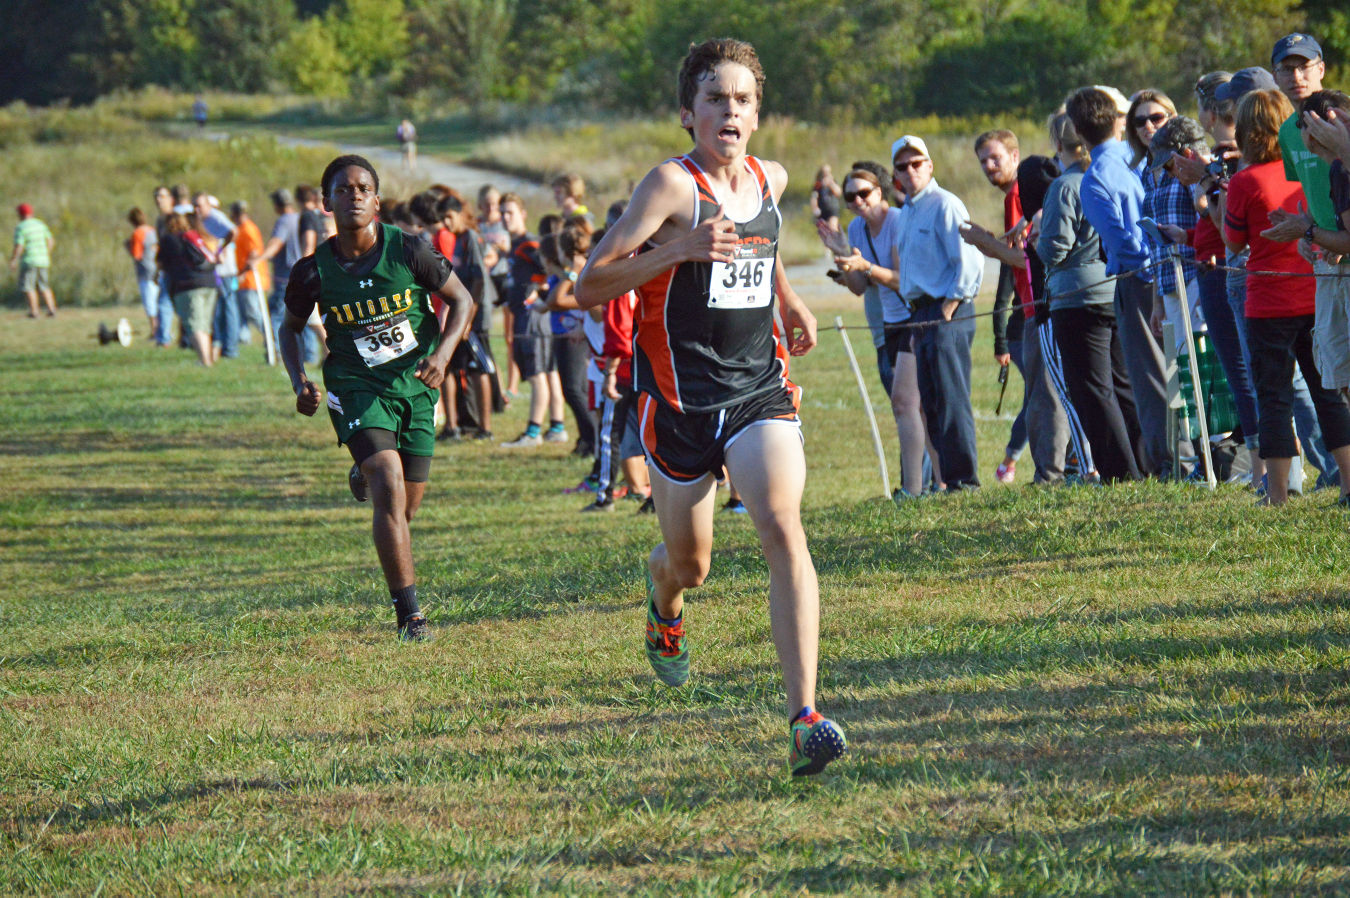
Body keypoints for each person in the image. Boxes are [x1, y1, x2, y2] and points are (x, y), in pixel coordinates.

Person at [574, 38, 846, 776]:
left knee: (782, 524)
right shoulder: (669, 187)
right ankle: (664, 608)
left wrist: (789, 302)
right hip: (681, 404)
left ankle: (804, 717)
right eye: (716, 99)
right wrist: (678, 250)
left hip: (758, 389)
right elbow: (589, 285)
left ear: (759, 114)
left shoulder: (772, 177)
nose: (730, 111)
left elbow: (763, 249)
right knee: (689, 566)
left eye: (743, 100)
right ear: (688, 113)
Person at [280, 155, 474, 641]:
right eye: (342, 190)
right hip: (356, 384)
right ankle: (411, 616)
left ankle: (363, 463)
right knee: (386, 485)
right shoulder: (313, 271)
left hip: (415, 385)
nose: (354, 196)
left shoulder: (409, 251)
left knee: (404, 509)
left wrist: (444, 354)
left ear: (377, 200)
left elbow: (463, 300)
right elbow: (290, 328)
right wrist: (298, 380)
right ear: (326, 203)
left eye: (363, 188)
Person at [1222, 90, 1350, 506]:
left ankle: (1277, 495)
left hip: (1268, 303)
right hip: (1314, 290)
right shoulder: (1307, 173)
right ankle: (1348, 482)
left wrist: (1216, 198)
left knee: (1273, 398)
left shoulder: (1244, 181)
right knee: (1329, 393)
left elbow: (1233, 239)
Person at [865, 134, 986, 490]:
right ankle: (947, 481)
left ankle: (965, 481)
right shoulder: (910, 211)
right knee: (930, 401)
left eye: (917, 163)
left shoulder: (945, 204)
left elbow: (970, 259)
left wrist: (950, 304)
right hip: (918, 312)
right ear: (896, 175)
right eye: (902, 166)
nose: (910, 170)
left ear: (929, 166)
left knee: (950, 398)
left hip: (947, 308)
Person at [1070, 86, 1179, 477]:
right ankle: (1187, 454)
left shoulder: (1096, 177)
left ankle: (1170, 463)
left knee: (1150, 378)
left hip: (1139, 279)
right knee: (1179, 367)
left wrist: (1146, 271)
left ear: (1078, 132)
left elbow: (1123, 243)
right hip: (1171, 270)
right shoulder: (1138, 161)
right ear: (1120, 121)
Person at [1040, 112, 1145, 483]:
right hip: (1115, 288)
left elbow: (1055, 248)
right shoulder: (1109, 175)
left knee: (1092, 390)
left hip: (1077, 297)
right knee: (1123, 383)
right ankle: (1143, 463)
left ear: (1059, 145)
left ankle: (1120, 473)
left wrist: (1037, 238)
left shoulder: (1064, 186)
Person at [822, 163, 929, 497]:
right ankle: (927, 484)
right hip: (887, 326)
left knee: (910, 403)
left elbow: (902, 279)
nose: (856, 201)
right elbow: (857, 286)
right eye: (850, 196)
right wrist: (842, 253)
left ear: (880, 192)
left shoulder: (898, 222)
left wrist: (866, 266)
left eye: (863, 193)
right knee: (912, 406)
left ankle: (922, 486)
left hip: (916, 319)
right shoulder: (856, 229)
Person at [499, 193, 557, 447]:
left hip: (532, 315)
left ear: (523, 214)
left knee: (536, 374)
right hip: (527, 314)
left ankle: (533, 432)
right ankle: (557, 426)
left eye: (510, 212)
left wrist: (537, 289)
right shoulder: (514, 244)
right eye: (502, 212)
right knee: (548, 371)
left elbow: (551, 268)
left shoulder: (528, 244)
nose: (504, 217)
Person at [156, 211, 218, 366]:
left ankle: (205, 361)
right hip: (210, 283)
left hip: (187, 286)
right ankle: (208, 358)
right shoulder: (193, 237)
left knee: (194, 324)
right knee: (204, 323)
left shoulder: (168, 240)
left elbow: (160, 263)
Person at [229, 200, 270, 350]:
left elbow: (253, 253)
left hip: (251, 279)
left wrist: (242, 272)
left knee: (253, 313)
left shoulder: (248, 229)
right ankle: (241, 341)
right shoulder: (240, 228)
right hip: (243, 280)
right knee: (241, 314)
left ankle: (270, 336)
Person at [11, 203, 56, 318]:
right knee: (44, 285)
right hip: (43, 260)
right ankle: (51, 309)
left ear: (20, 214)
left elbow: (19, 246)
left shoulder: (21, 227)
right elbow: (50, 240)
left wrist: (14, 259)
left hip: (29, 260)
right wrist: (46, 253)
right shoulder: (40, 224)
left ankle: (34, 311)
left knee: (28, 287)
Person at [125, 207, 158, 335]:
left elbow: (136, 255)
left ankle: (154, 330)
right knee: (157, 301)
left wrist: (128, 246)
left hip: (145, 271)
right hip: (157, 269)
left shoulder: (137, 233)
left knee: (149, 303)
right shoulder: (152, 230)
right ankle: (161, 329)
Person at [810, 164, 841, 233]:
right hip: (822, 210)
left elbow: (838, 192)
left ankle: (835, 241)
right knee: (824, 230)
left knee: (833, 227)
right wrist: (815, 208)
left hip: (832, 209)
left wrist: (831, 183)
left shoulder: (833, 181)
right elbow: (814, 197)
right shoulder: (818, 184)